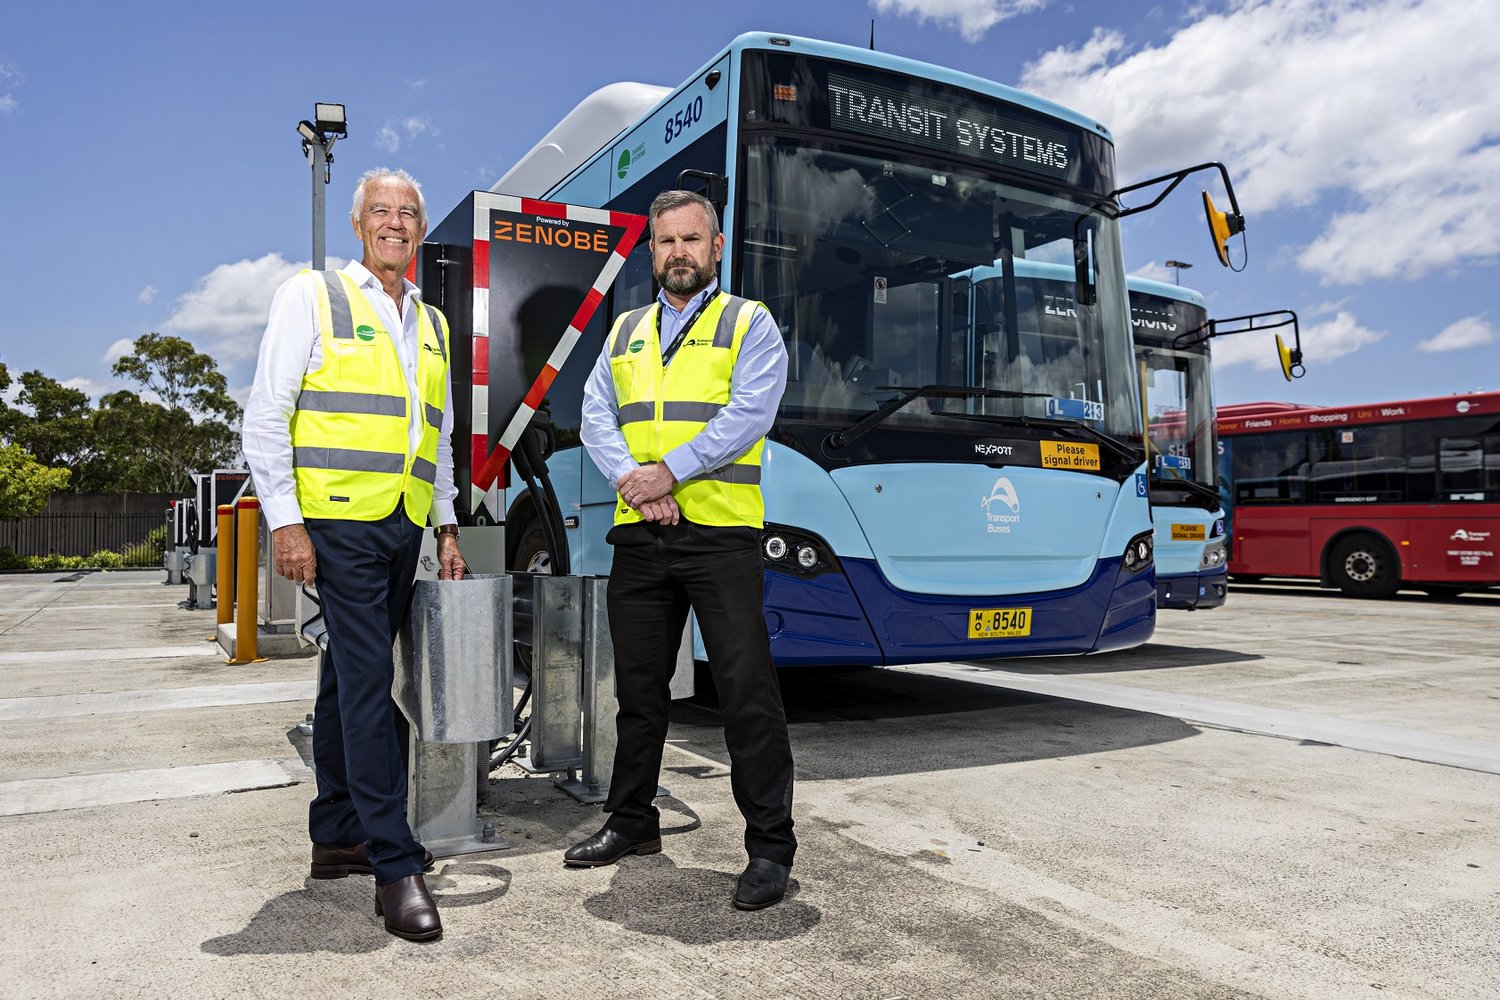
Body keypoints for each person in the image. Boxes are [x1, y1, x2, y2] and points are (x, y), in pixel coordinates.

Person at [242, 167, 464, 942]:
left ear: (420, 229)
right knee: (371, 684)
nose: (395, 223)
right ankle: (393, 864)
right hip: (336, 523)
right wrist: (285, 523)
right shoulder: (312, 296)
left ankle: (337, 834)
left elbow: (434, 435)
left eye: (408, 213)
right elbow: (266, 413)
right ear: (358, 224)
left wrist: (445, 526)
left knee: (345, 677)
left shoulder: (431, 323)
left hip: (402, 523)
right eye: (381, 211)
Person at [567, 189, 797, 911]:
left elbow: (749, 414)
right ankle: (633, 820)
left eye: (691, 239)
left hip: (721, 538)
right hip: (643, 535)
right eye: (666, 241)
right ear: (652, 251)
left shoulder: (749, 323)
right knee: (638, 694)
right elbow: (595, 414)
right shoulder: (626, 329)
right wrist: (637, 484)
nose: (679, 253)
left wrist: (670, 471)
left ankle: (770, 848)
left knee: (745, 694)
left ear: (716, 247)